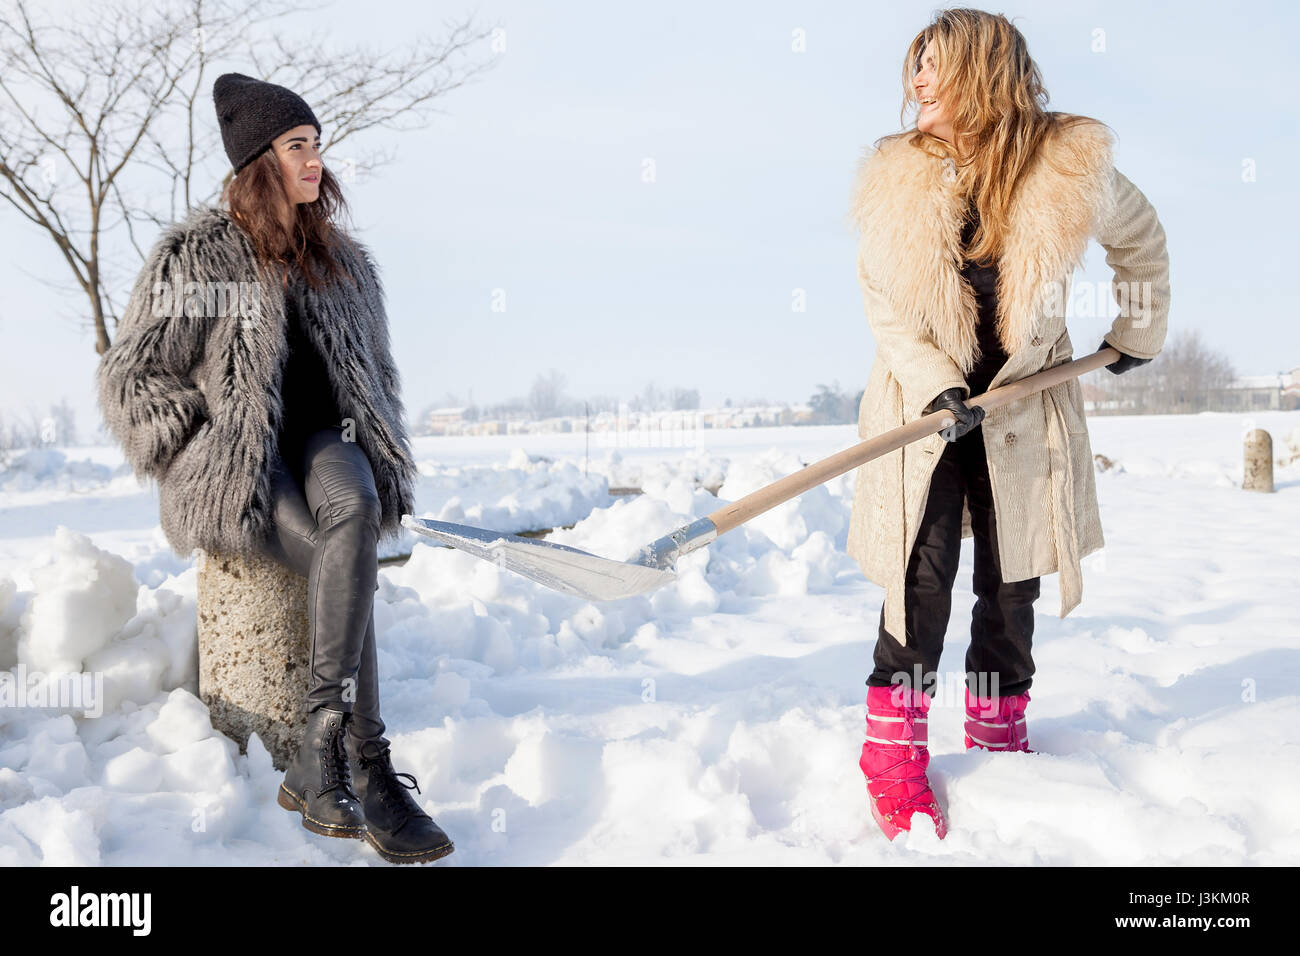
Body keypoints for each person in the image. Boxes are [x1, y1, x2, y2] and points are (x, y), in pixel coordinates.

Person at [96, 73, 453, 864]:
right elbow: (132, 377)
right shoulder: (202, 255)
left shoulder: (345, 262)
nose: (315, 160)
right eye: (298, 146)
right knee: (337, 548)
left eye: (317, 144)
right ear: (261, 159)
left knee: (354, 515)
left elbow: (378, 379)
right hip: (244, 455)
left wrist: (374, 439)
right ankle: (366, 760)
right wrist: (197, 444)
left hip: (330, 440)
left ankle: (323, 749)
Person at [844, 9, 1170, 840]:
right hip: (926, 414)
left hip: (1025, 405)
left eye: (933, 67)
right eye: (915, 67)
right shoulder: (893, 173)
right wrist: (937, 387)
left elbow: (1142, 244)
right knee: (919, 582)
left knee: (1010, 581)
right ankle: (893, 751)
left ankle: (995, 728)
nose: (915, 82)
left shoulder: (1067, 161)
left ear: (982, 74)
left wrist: (1136, 332)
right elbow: (885, 304)